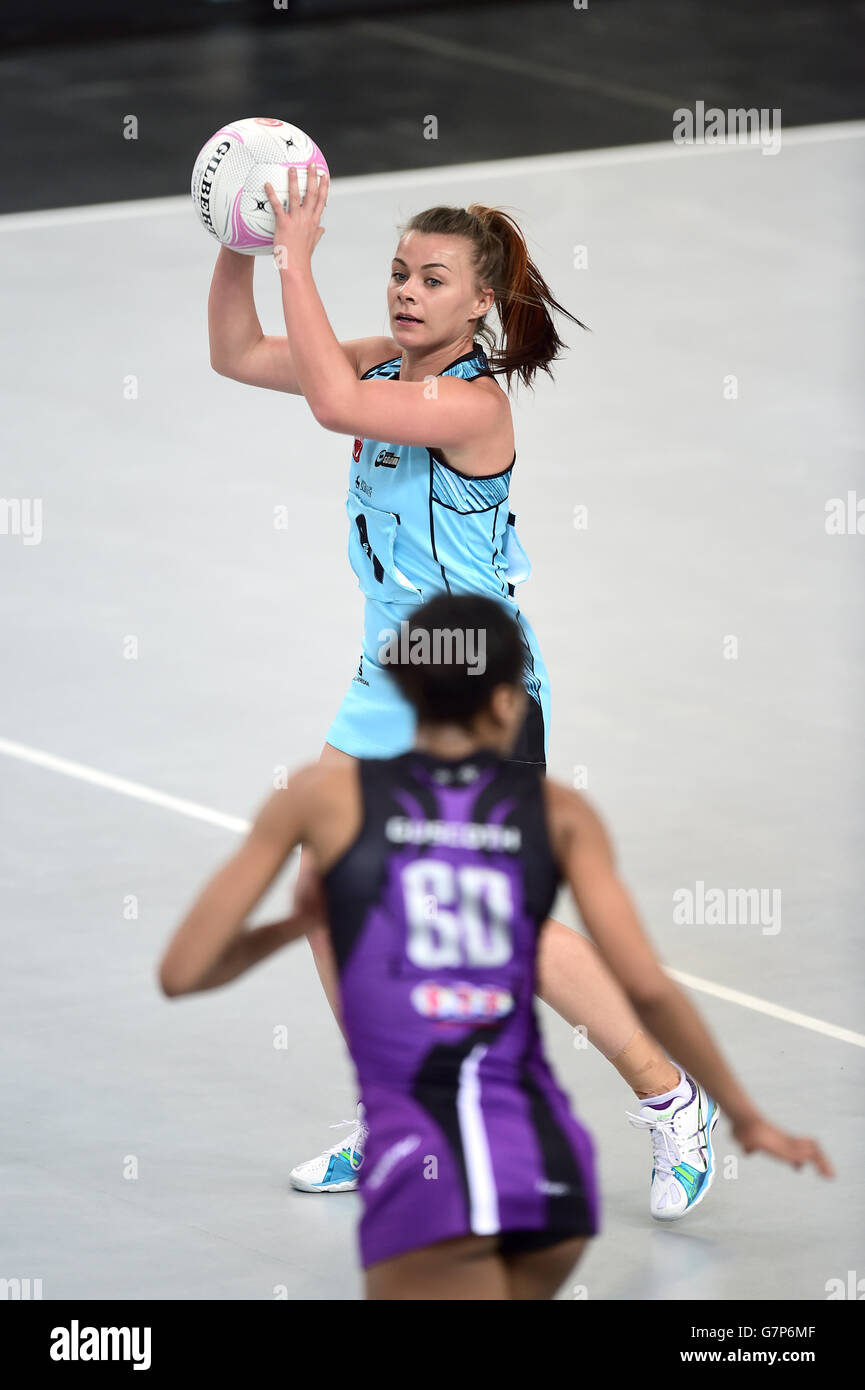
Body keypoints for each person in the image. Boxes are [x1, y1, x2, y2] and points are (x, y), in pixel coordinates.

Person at [208, 163, 712, 1219]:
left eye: (431, 278)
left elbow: (333, 405)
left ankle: (670, 1099)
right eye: (396, 270)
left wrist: (297, 256)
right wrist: (241, 238)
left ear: (479, 300)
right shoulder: (384, 362)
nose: (404, 290)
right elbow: (240, 354)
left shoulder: (466, 402)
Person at [157, 595, 832, 1301]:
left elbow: (182, 973)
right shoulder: (554, 809)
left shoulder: (317, 794)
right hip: (395, 659)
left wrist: (287, 923)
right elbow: (652, 987)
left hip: (458, 659)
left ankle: (668, 1098)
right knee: (343, 893)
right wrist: (750, 1116)